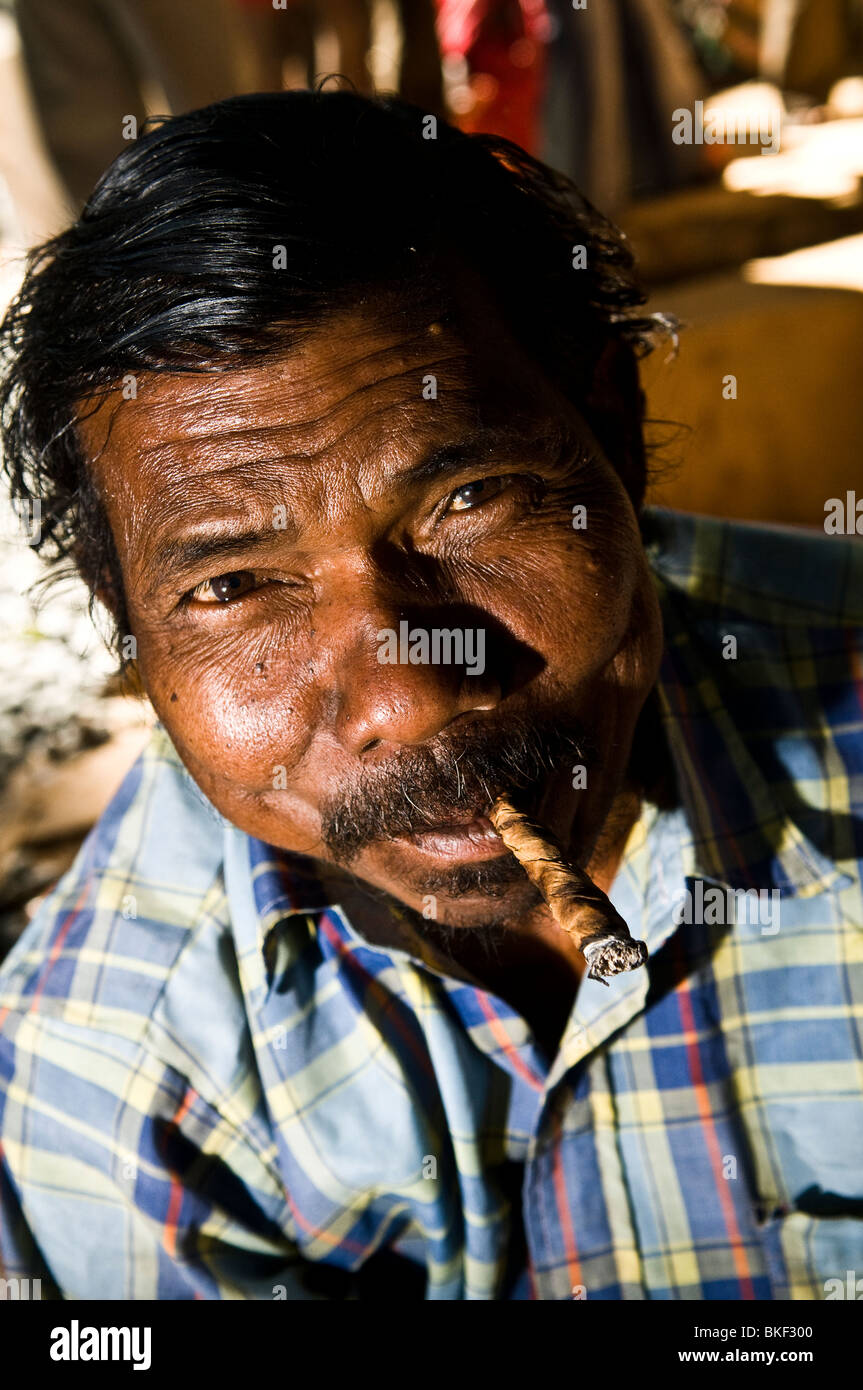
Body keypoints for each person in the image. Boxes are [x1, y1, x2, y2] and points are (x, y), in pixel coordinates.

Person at [0, 90, 861, 1301]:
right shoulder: (115, 1062)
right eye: (234, 583)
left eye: (469, 502)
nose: (407, 692)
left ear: (608, 432)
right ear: (123, 612)